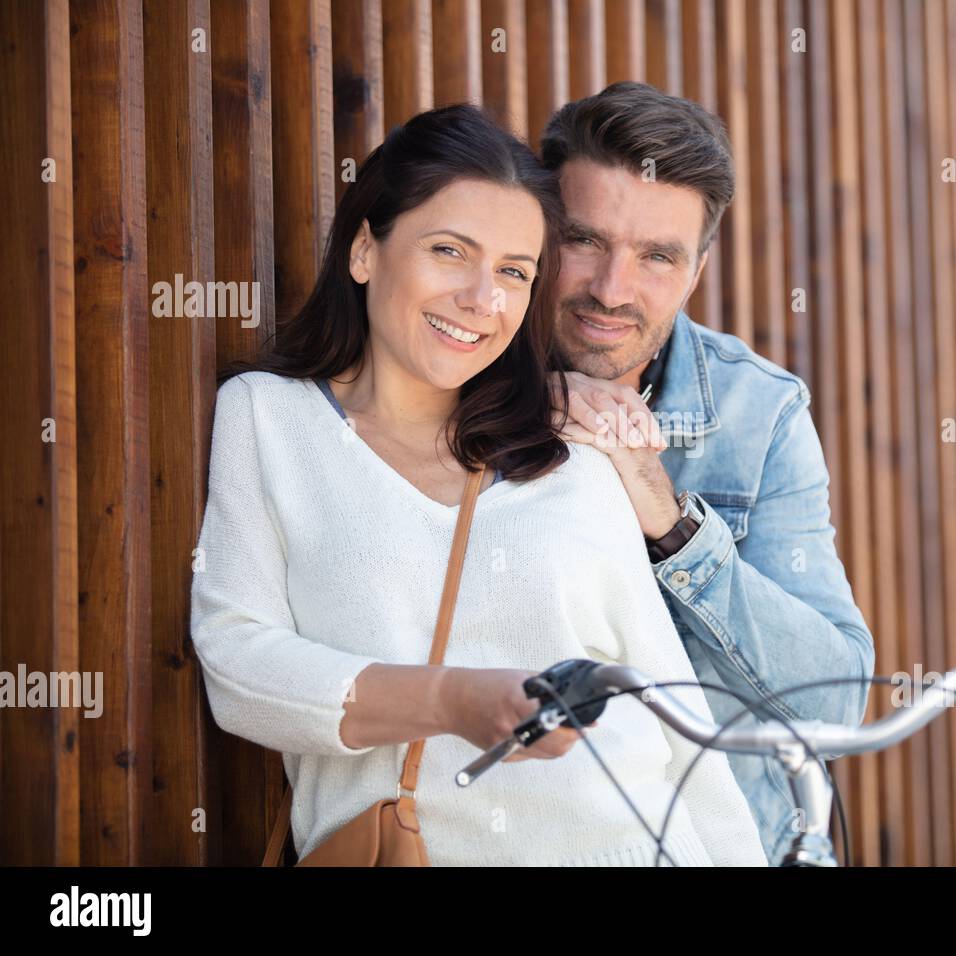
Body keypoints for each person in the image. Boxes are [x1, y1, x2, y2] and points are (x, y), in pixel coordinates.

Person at [189, 104, 766, 866]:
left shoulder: (571, 448)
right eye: (450, 251)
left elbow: (670, 708)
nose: (481, 299)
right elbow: (240, 667)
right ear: (366, 249)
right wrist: (453, 700)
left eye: (513, 272)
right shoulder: (268, 420)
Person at [540, 82, 875, 864]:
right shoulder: (461, 378)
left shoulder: (759, 413)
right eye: (584, 240)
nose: (612, 291)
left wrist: (668, 517)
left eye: (658, 256)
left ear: (698, 268)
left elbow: (833, 701)